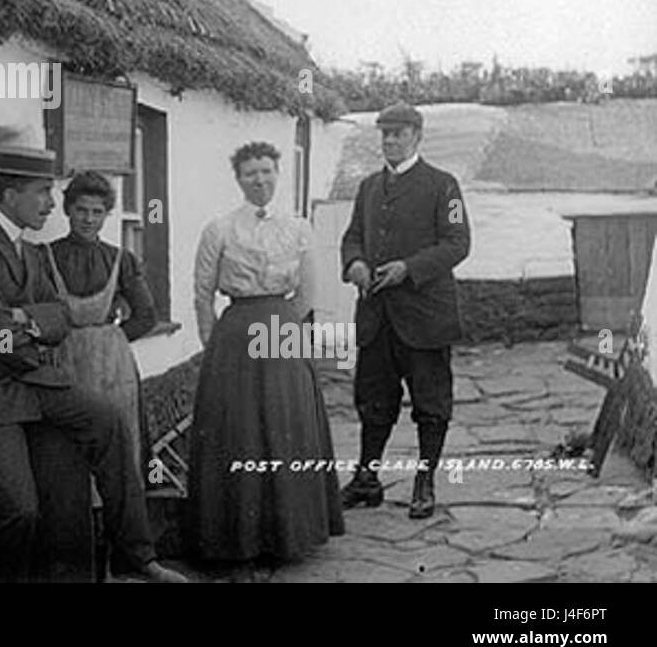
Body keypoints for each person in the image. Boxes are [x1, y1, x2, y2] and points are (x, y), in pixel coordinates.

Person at [0, 145, 187, 583]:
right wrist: (31, 323)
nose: (52, 203)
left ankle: (136, 556)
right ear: (10, 194)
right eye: (42, 192)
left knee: (109, 424)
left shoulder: (30, 253)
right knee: (19, 508)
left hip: (33, 379)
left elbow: (61, 318)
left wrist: (23, 320)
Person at [186, 141, 344, 564]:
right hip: (235, 334)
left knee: (285, 419)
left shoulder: (297, 228)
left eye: (267, 172)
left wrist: (281, 326)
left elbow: (308, 291)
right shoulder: (219, 229)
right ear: (238, 179)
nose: (260, 180)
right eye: (251, 173)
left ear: (278, 175)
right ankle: (235, 535)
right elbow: (202, 294)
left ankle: (290, 532)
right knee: (239, 428)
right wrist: (216, 344)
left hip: (281, 326)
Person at [340, 102, 471, 519]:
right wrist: (355, 265)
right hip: (377, 318)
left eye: (399, 133)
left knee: (431, 404)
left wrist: (408, 270)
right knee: (374, 401)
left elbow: (457, 243)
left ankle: (425, 482)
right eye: (385, 134)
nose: (390, 141)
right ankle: (367, 479)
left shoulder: (444, 186)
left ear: (418, 136)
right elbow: (352, 239)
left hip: (425, 318)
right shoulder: (367, 188)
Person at [40, 170, 157, 574]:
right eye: (80, 210)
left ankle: (121, 559)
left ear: (107, 215)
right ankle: (80, 561)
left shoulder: (121, 260)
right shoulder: (45, 256)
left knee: (120, 457)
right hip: (65, 364)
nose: (88, 219)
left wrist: (110, 340)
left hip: (113, 371)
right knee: (72, 460)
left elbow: (146, 316)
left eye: (97, 211)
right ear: (68, 210)